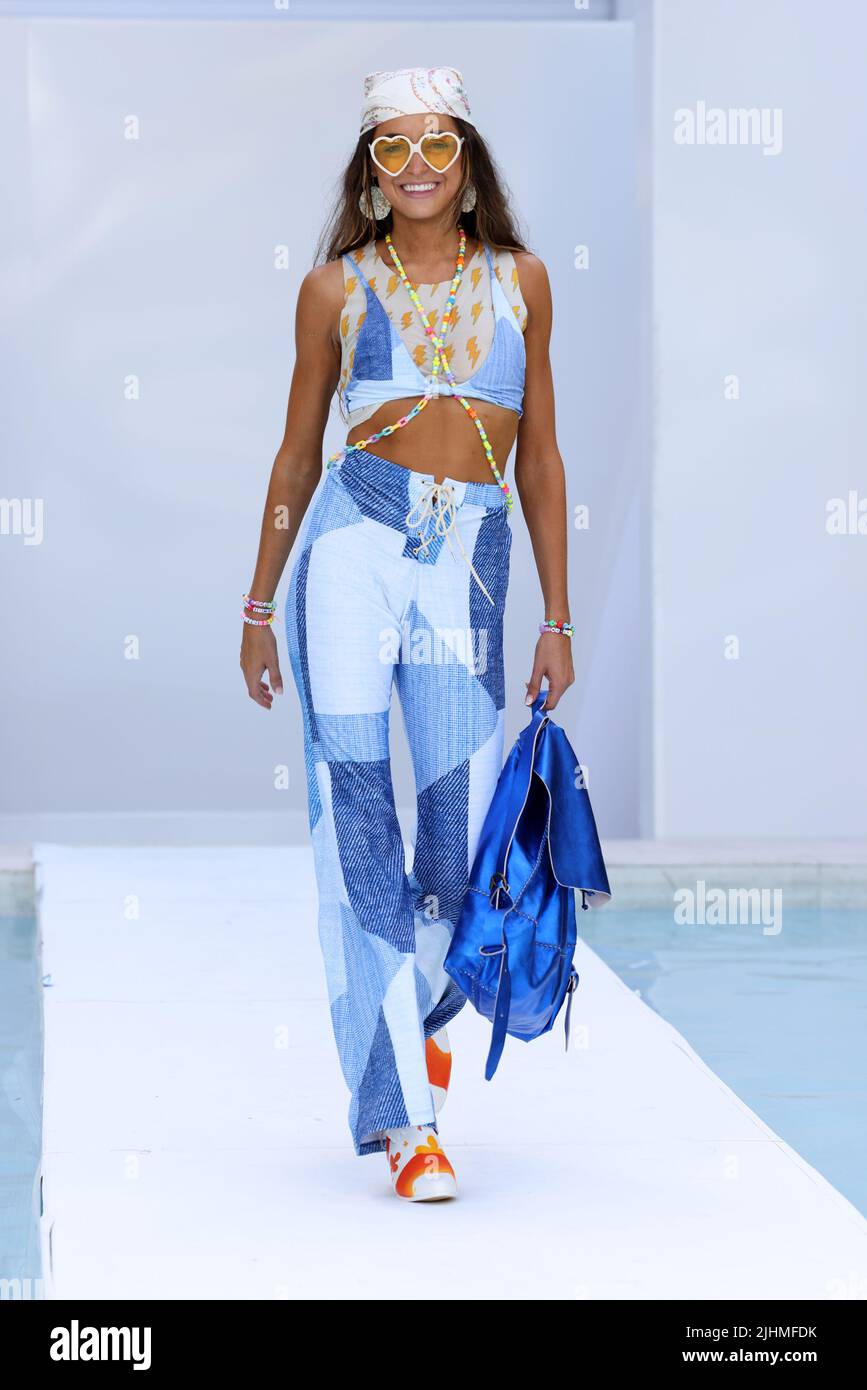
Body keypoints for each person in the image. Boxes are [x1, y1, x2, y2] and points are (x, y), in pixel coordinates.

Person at [240, 66, 574, 1201]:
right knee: (355, 828)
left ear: (469, 160)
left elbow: (538, 457)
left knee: (451, 838)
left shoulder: (522, 282)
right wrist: (255, 602)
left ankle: (416, 1057)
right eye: (394, 150)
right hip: (347, 553)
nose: (419, 167)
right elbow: (295, 456)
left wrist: (559, 618)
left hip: (467, 568)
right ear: (370, 172)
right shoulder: (334, 290)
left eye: (439, 145)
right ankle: (409, 1124)